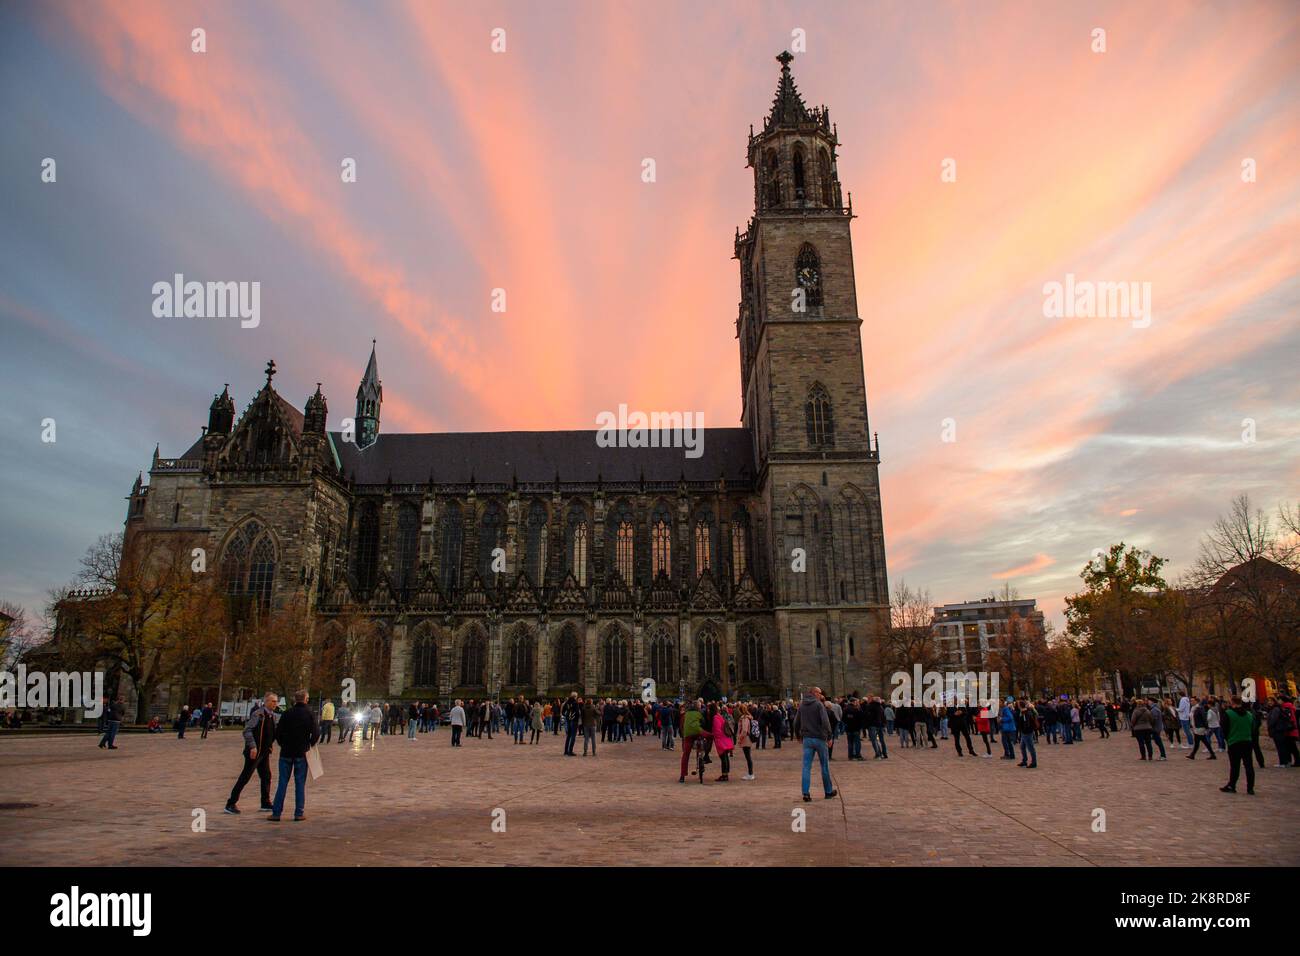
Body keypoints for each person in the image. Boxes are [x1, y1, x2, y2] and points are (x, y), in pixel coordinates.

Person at [225, 693, 279, 815]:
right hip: (254, 752)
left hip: (264, 752)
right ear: (266, 702)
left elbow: (273, 734)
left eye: (276, 701)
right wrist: (252, 746)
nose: (275, 704)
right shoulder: (258, 715)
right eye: (273, 701)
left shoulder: (272, 716)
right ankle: (231, 803)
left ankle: (265, 802)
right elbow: (247, 731)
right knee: (245, 776)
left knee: (266, 776)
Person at [270, 689, 319, 821]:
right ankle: (298, 812)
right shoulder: (309, 714)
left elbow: (278, 732)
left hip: (286, 752)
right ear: (306, 699)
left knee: (282, 782)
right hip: (302, 752)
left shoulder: (287, 713)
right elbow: (316, 733)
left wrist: (283, 743)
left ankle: (276, 812)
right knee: (299, 783)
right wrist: (309, 744)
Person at [794, 687, 836, 802]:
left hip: (807, 739)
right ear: (813, 693)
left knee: (806, 767)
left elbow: (796, 721)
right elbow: (825, 721)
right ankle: (828, 791)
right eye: (819, 693)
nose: (821, 695)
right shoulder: (818, 705)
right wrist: (830, 736)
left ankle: (806, 793)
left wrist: (798, 735)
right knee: (824, 766)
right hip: (819, 739)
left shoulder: (802, 705)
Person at [1220, 696, 1257, 795]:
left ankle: (1232, 785)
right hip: (1247, 741)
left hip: (1234, 742)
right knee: (1249, 765)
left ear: (1232, 703)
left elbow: (1224, 729)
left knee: (1235, 765)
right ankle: (1250, 788)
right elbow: (1253, 728)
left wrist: (1228, 738)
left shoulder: (1228, 714)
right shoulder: (1249, 714)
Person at [679, 699, 705, 783]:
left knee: (686, 755)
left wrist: (683, 735)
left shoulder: (685, 715)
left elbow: (682, 726)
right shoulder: (699, 714)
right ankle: (700, 764)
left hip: (687, 736)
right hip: (698, 734)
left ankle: (682, 775)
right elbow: (703, 724)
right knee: (700, 749)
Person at [736, 703, 757, 780]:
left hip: (746, 739)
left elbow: (744, 730)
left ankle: (750, 774)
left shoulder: (744, 718)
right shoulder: (747, 717)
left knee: (748, 757)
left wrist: (740, 738)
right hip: (747, 738)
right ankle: (750, 773)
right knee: (748, 757)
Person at [1017, 700, 1039, 768]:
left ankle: (1034, 762)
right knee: (1022, 747)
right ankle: (1024, 761)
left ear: (1020, 706)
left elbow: (1026, 724)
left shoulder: (1025, 713)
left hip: (1027, 732)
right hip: (1025, 732)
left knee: (1030, 747)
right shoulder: (1024, 712)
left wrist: (1023, 730)